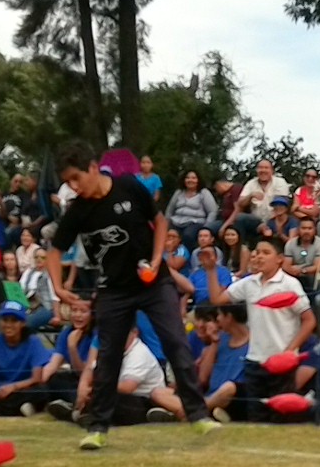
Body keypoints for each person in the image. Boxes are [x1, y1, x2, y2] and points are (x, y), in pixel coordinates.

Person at [45, 139, 216, 450]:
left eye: (76, 178)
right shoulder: (78, 211)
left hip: (154, 283)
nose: (73, 186)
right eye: (67, 181)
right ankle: (97, 427)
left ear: (94, 168)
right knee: (108, 356)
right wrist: (57, 289)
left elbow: (160, 220)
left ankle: (198, 414)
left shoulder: (129, 187)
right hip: (113, 289)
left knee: (176, 340)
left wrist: (155, 259)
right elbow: (55, 252)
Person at [209, 234, 315, 421]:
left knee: (280, 416)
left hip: (281, 363)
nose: (259, 256)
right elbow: (218, 299)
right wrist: (210, 270)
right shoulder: (250, 283)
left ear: (280, 258)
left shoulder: (290, 284)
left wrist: (290, 351)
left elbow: (309, 320)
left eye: (266, 253)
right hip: (255, 361)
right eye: (257, 252)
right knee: (256, 415)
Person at [0, 301, 58, 416]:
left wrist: (13, 387)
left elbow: (36, 378)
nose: (8, 325)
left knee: (43, 390)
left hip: (24, 388)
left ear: (22, 323)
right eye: (5, 320)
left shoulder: (33, 342)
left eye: (14, 321)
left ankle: (0, 409)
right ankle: (20, 407)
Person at [230, 159, 290, 237]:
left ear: (272, 171)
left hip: (274, 219)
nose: (263, 170)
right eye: (260, 168)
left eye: (266, 168)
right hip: (256, 220)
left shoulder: (280, 182)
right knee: (240, 218)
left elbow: (282, 206)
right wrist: (250, 195)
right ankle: (241, 247)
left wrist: (266, 224)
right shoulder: (251, 183)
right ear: (257, 170)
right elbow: (240, 203)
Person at [167, 170, 218, 237]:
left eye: (193, 178)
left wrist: (206, 228)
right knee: (168, 235)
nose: (190, 180)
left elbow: (212, 211)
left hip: (195, 223)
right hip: (176, 222)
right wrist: (166, 224)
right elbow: (170, 210)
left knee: (188, 235)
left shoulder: (204, 193)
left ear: (198, 180)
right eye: (187, 178)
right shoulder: (179, 192)